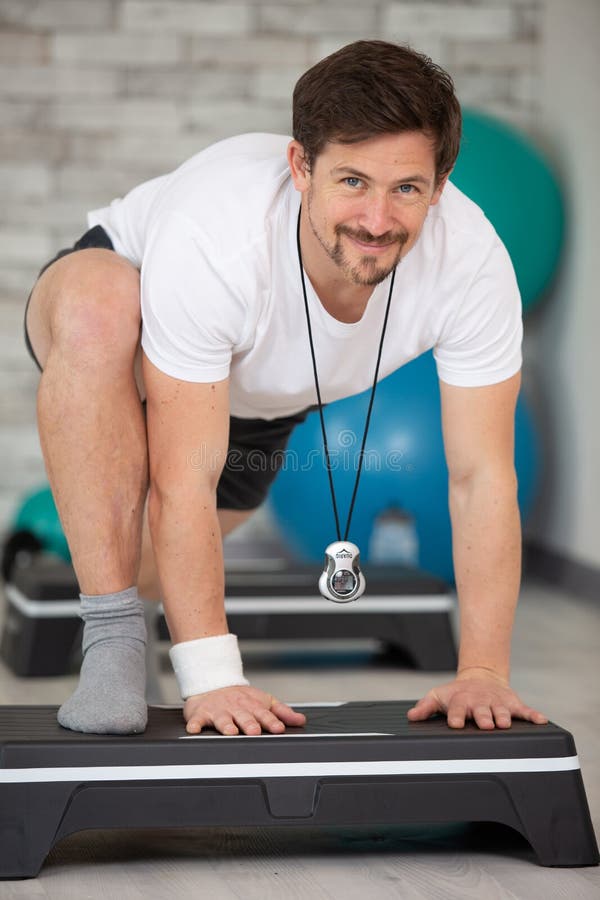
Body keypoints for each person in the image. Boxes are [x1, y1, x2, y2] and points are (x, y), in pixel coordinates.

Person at [23, 39, 548, 736]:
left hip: (263, 402)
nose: (377, 220)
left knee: (147, 566)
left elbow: (482, 475)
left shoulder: (472, 263)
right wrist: (212, 679)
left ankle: (131, 617)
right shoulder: (220, 235)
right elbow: (182, 478)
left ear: (441, 182)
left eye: (407, 188)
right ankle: (115, 648)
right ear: (301, 166)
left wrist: (483, 671)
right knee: (97, 310)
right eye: (353, 181)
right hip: (126, 307)